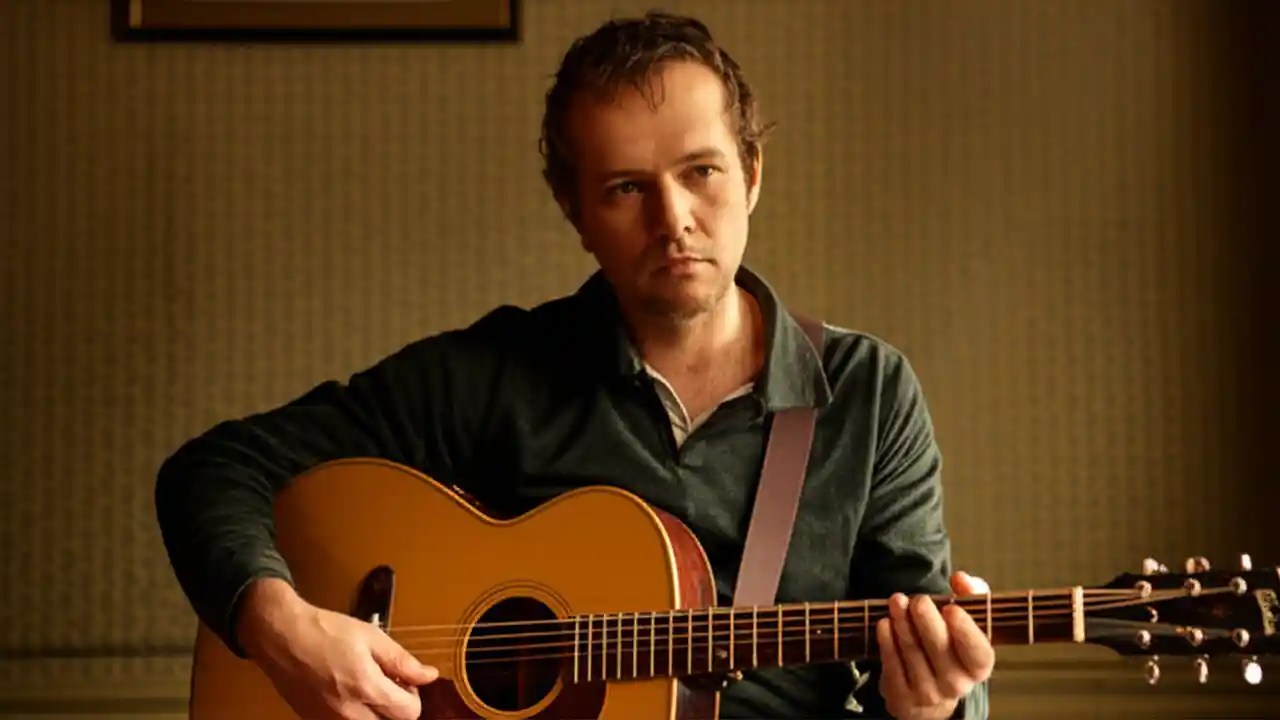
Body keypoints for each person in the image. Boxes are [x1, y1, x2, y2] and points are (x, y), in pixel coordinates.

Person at [155, 10, 994, 720]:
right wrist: (280, 627)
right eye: (627, 188)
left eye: (702, 172)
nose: (675, 221)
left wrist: (935, 701)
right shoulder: (495, 374)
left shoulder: (869, 392)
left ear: (753, 174)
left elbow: (918, 661)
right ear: (574, 210)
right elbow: (214, 469)